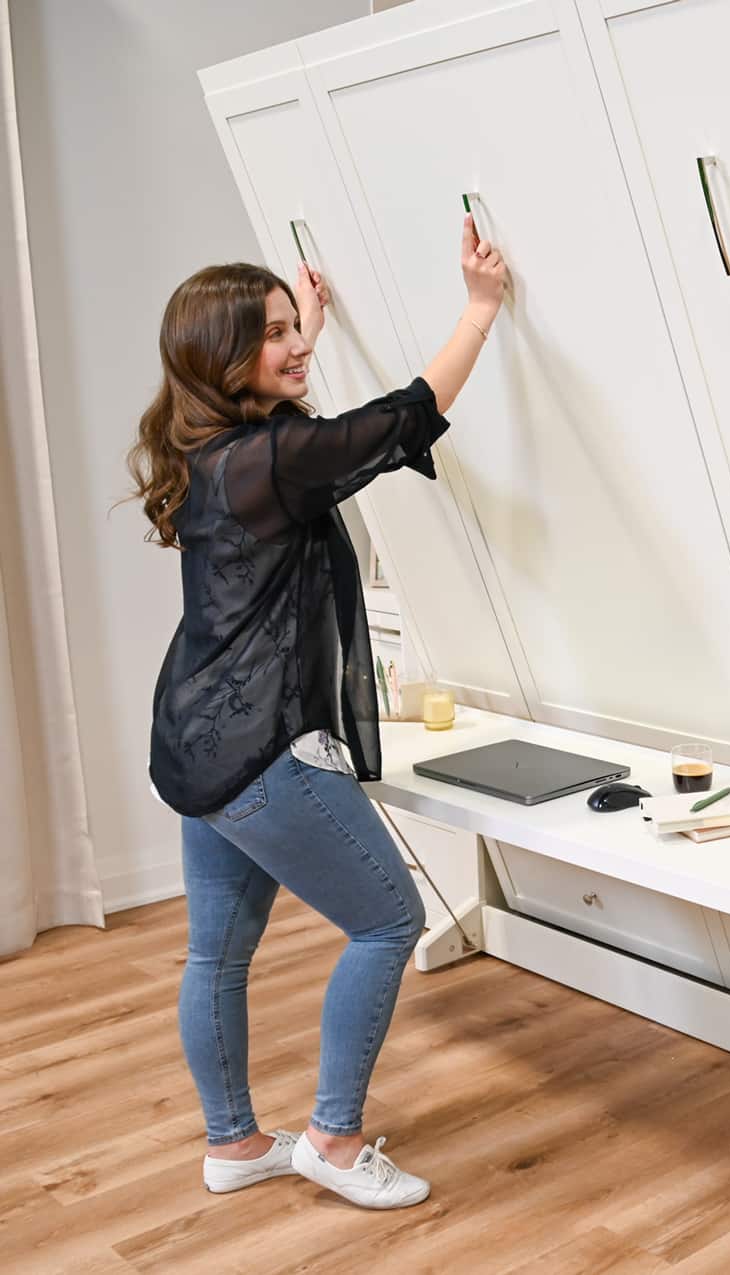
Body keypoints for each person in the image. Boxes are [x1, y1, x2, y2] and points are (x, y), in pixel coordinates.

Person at [127, 215, 505, 1209]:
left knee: (217, 955)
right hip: (259, 751)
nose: (295, 345)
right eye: (273, 335)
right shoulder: (273, 458)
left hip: (194, 743)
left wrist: (294, 337)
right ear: (224, 359)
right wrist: (479, 309)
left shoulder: (206, 445)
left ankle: (235, 1145)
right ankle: (334, 1143)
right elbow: (399, 420)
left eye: (296, 326)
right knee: (389, 920)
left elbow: (300, 434)